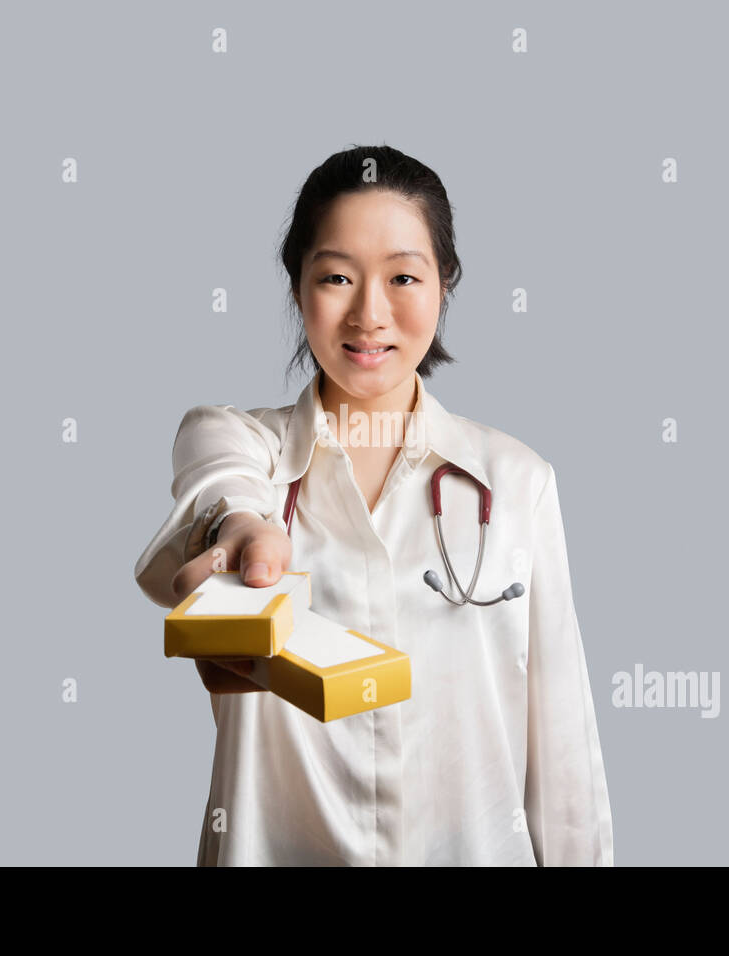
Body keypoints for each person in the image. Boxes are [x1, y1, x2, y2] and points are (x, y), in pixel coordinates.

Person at [134, 144, 613, 866]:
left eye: (403, 277)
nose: (369, 313)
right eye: (336, 277)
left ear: (444, 285)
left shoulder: (516, 483)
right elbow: (219, 486)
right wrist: (239, 529)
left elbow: (563, 741)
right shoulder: (241, 445)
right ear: (298, 288)